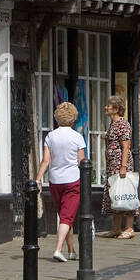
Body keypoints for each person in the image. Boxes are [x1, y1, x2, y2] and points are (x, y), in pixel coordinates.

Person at [35, 101, 86, 263]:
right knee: (66, 217)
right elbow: (82, 162)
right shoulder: (77, 137)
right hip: (72, 180)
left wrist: (38, 179)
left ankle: (71, 251)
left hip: (55, 181)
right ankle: (58, 249)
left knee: (65, 216)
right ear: (73, 119)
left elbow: (45, 160)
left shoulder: (50, 136)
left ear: (57, 118)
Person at [102, 94, 137, 239]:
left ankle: (129, 229)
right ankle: (116, 228)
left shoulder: (123, 124)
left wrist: (123, 167)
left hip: (121, 165)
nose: (106, 107)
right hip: (112, 166)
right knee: (115, 195)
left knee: (126, 194)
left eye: (109, 106)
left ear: (116, 109)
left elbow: (126, 146)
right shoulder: (113, 124)